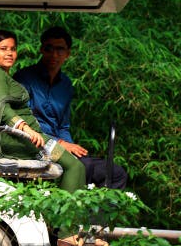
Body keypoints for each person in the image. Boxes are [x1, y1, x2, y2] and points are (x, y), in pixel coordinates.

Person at [0, 30, 103, 246]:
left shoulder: (1, 75)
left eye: (12, 49)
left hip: (24, 137)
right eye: (3, 49)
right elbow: (1, 107)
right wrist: (23, 127)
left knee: (73, 165)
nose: (9, 53)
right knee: (75, 167)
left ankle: (65, 229)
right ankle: (67, 233)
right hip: (15, 139)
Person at [13, 27, 127, 189]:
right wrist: (60, 143)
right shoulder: (25, 78)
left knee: (115, 173)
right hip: (34, 145)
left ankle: (96, 213)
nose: (54, 54)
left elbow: (63, 126)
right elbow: (24, 122)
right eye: (49, 48)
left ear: (68, 54)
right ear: (41, 50)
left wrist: (70, 147)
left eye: (60, 49)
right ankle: (68, 211)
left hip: (59, 147)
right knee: (82, 168)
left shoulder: (66, 85)